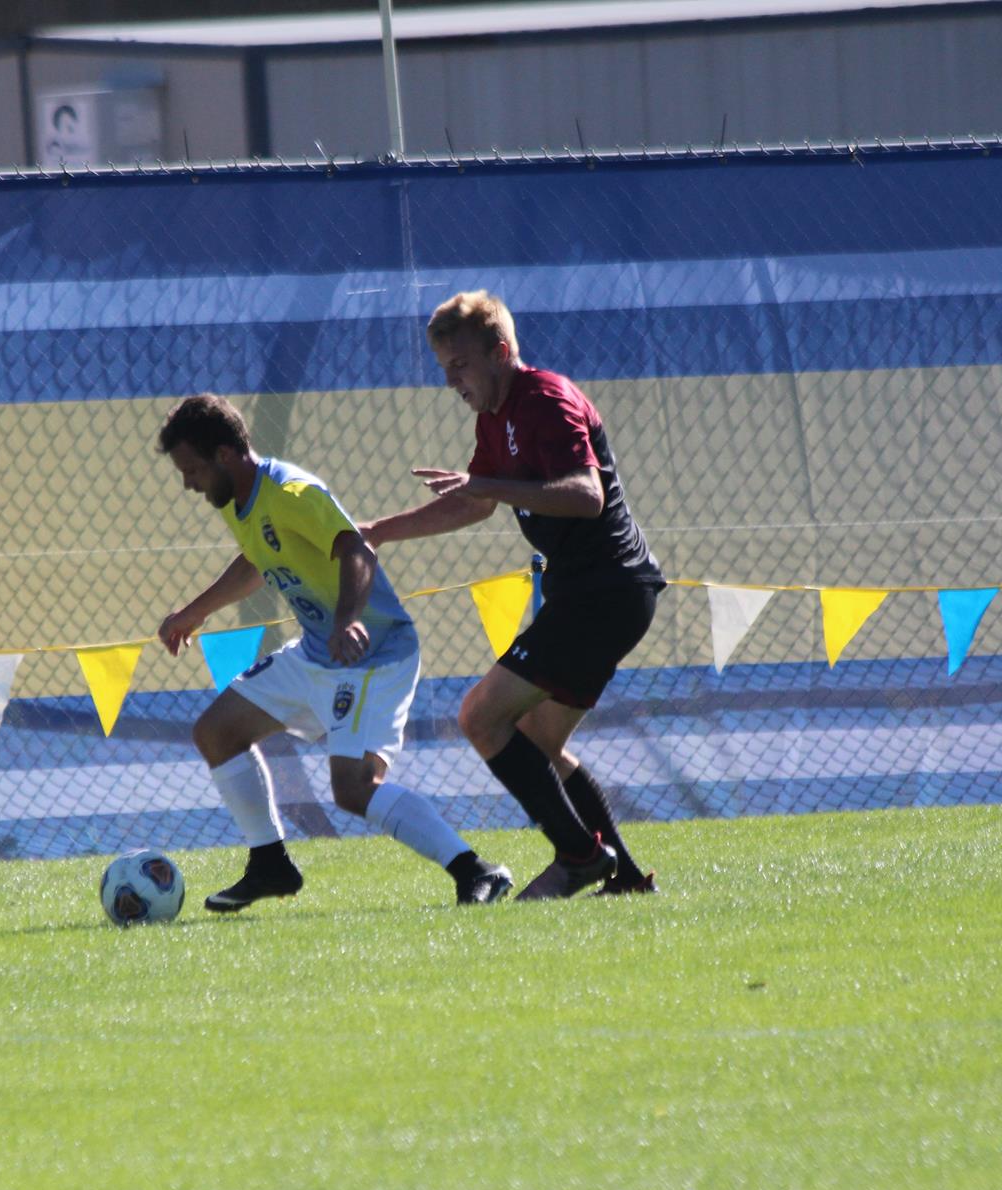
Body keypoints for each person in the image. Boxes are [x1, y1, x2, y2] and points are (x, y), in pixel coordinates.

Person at [155, 393, 514, 911]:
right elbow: (257, 560)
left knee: (353, 789)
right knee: (216, 732)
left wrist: (347, 619)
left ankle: (476, 871)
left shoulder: (293, 492)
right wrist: (195, 611)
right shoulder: (238, 499)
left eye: (191, 469)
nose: (188, 483)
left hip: (372, 654)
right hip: (318, 654)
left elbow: (356, 548)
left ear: (225, 456)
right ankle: (270, 865)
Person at [360, 291, 663, 901]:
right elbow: (475, 500)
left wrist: (487, 482)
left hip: (604, 592)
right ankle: (624, 876)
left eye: (460, 365)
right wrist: (378, 532)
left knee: (480, 716)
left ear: (500, 352)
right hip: (595, 595)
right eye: (444, 368)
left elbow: (585, 496)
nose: (451, 381)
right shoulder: (494, 417)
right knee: (540, 739)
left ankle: (579, 857)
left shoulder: (545, 400)